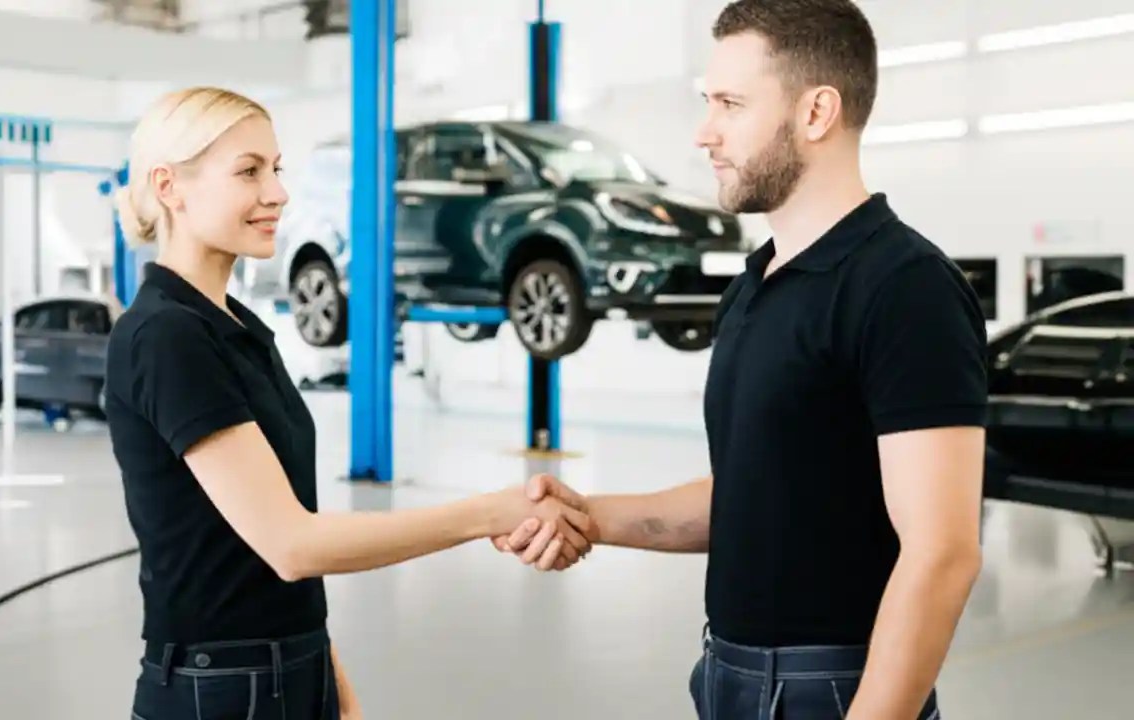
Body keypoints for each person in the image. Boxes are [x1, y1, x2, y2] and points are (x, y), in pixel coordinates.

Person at [497, 1, 987, 718]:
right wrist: (588, 516)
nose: (705, 134)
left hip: (834, 688)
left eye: (730, 104)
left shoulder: (903, 287)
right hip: (727, 676)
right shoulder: (756, 287)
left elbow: (942, 553)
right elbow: (754, 496)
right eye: (708, 103)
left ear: (817, 112)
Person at [104, 86, 596, 720]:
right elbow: (291, 544)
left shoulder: (237, 327)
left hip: (290, 669)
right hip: (220, 690)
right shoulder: (166, 336)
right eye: (249, 171)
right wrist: (486, 515)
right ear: (170, 187)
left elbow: (282, 561)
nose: (277, 192)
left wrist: (336, 688)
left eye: (276, 169)